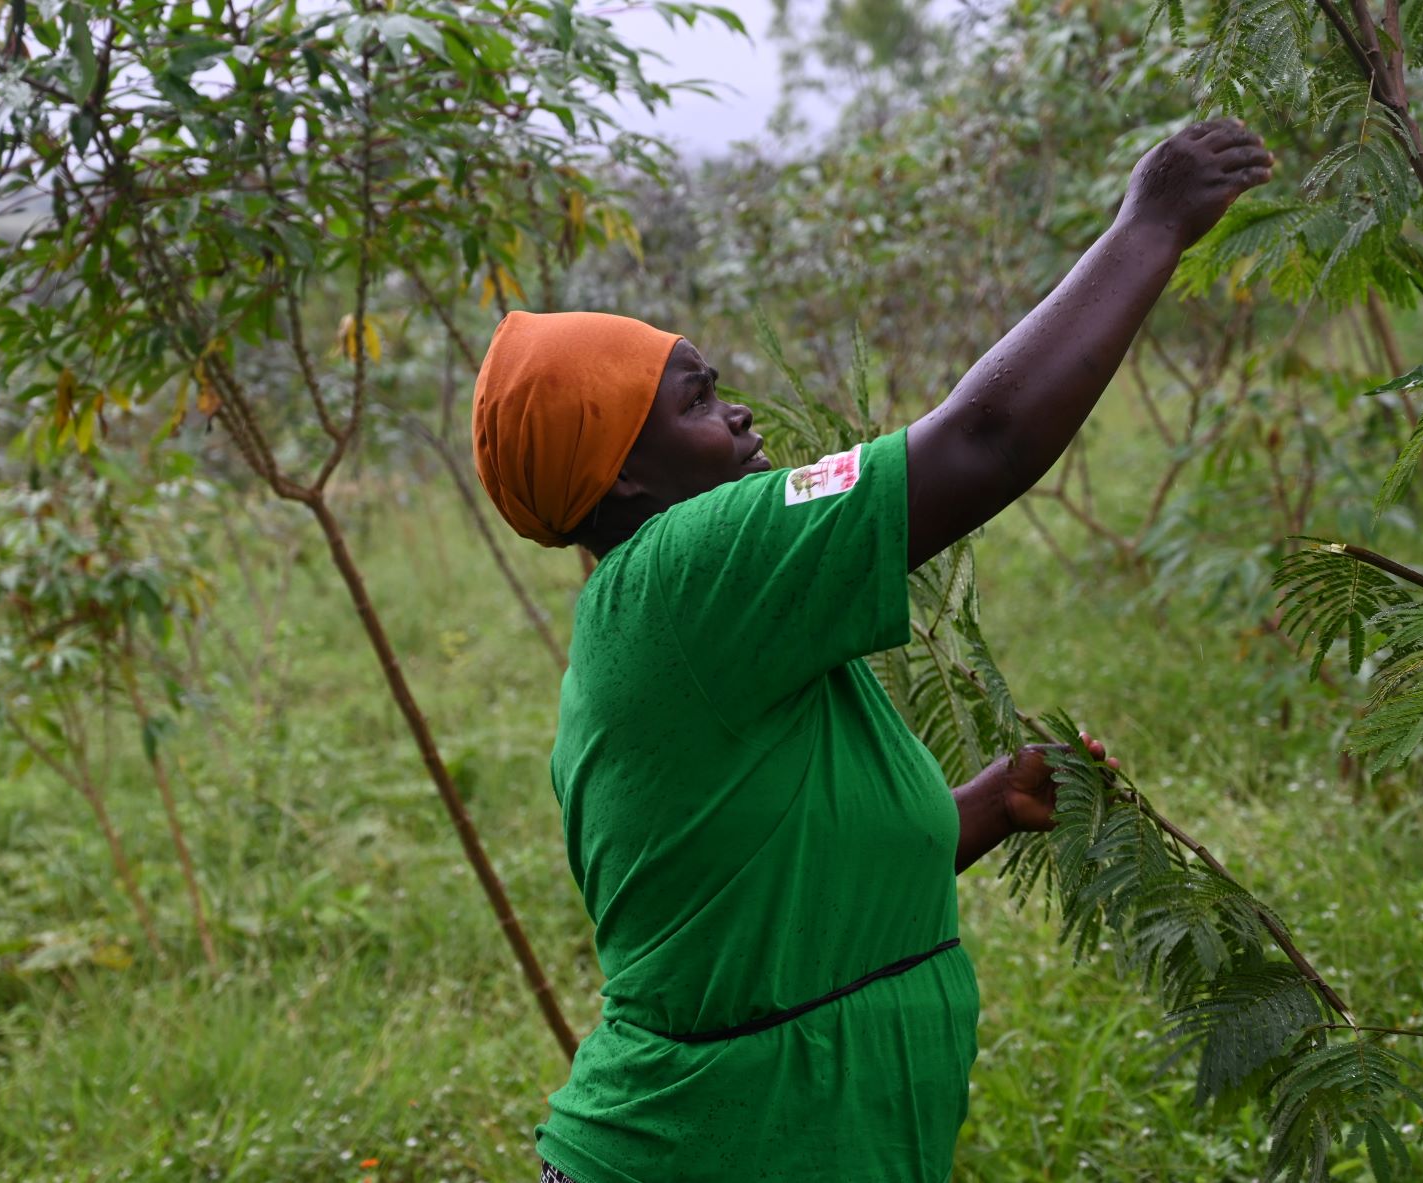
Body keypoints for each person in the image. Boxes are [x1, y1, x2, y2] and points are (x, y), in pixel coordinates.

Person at [470, 119, 1272, 1183]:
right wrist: (1151, 222)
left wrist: (984, 805)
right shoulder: (684, 571)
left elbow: (781, 902)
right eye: (698, 400)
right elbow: (981, 440)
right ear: (620, 475)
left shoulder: (695, 627)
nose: (741, 414)